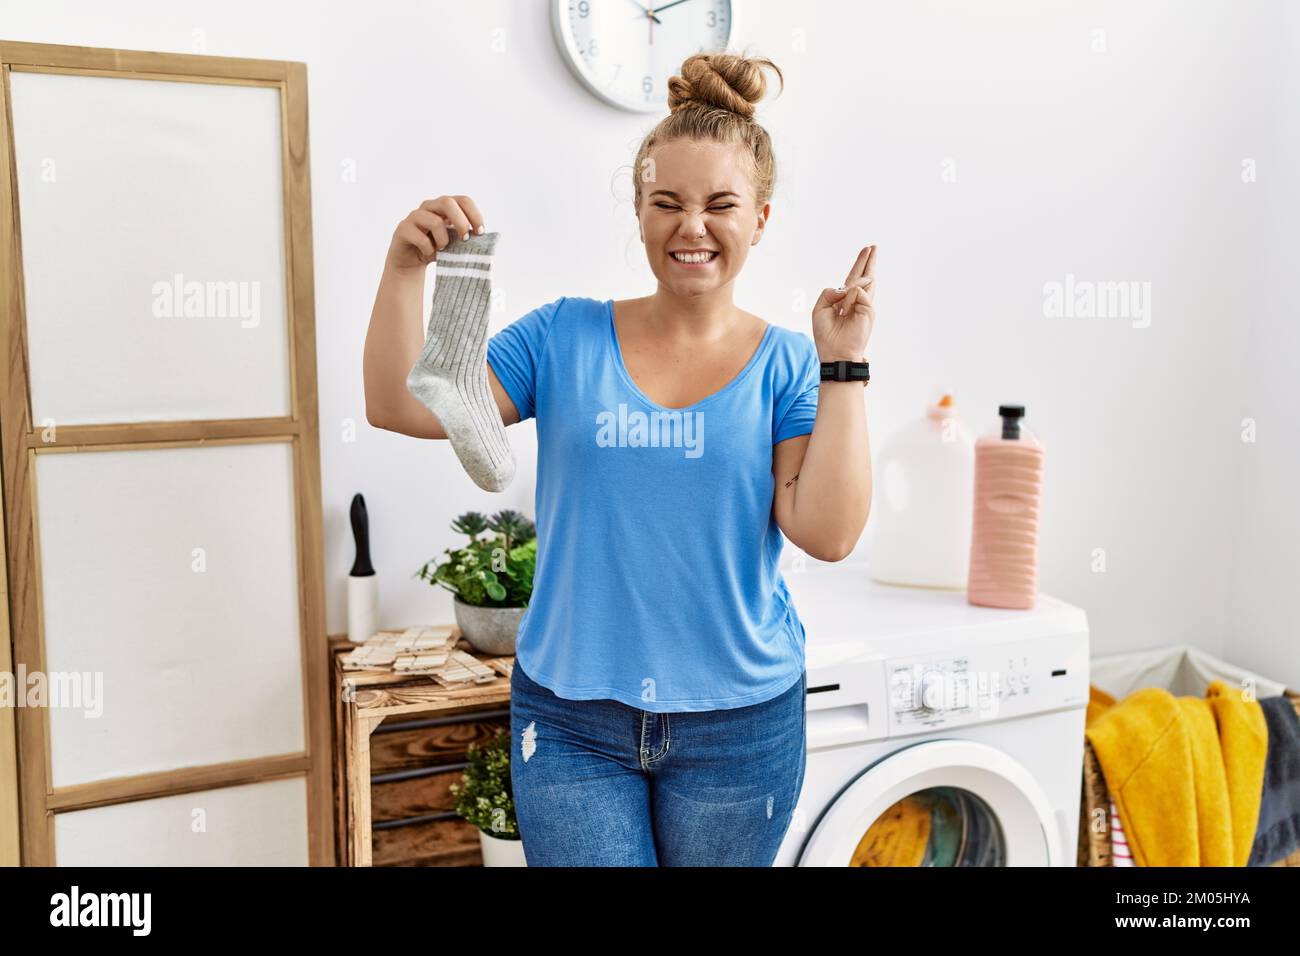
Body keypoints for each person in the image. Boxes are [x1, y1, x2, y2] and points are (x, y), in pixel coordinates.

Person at [363, 51, 875, 865]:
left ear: (762, 218)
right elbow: (402, 404)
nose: (691, 225)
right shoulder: (563, 335)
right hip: (571, 721)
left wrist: (842, 364)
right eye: (666, 201)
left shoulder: (785, 364)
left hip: (739, 724)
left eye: (721, 204)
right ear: (639, 210)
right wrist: (403, 270)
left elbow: (827, 532)